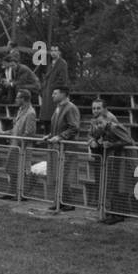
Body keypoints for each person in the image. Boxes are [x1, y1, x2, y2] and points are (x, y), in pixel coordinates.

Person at [87, 96, 134, 224]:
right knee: (112, 185)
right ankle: (113, 212)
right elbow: (91, 134)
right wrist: (94, 141)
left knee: (117, 185)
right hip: (111, 157)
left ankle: (117, 214)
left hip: (121, 157)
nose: (99, 127)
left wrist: (111, 144)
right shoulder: (100, 124)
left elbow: (129, 140)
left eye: (100, 124)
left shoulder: (113, 125)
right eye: (93, 108)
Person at [45, 86, 81, 214]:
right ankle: (60, 201)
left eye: (55, 93)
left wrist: (60, 137)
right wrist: (50, 135)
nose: (52, 95)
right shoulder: (58, 107)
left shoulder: (70, 108)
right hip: (57, 148)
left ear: (64, 94)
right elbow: (59, 126)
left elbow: (74, 127)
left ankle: (67, 202)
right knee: (58, 176)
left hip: (67, 148)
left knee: (64, 176)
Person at [39, 45, 68, 131]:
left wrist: (53, 87)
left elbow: (63, 79)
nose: (53, 52)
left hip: (55, 92)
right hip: (47, 92)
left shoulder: (62, 63)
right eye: (51, 51)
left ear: (59, 52)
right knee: (46, 116)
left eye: (55, 50)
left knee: (54, 116)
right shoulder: (50, 63)